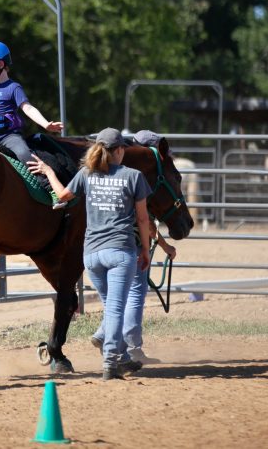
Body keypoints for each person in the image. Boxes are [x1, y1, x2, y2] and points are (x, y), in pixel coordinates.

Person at [28, 127, 152, 380]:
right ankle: (111, 361)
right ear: (119, 150)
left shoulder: (86, 174)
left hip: (92, 255)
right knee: (116, 308)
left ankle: (123, 357)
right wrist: (146, 250)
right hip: (120, 252)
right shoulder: (134, 176)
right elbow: (142, 218)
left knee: (111, 307)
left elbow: (62, 195)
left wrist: (48, 172)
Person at [88, 129, 178, 364]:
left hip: (96, 247)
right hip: (129, 246)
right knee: (134, 293)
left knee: (114, 300)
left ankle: (109, 340)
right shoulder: (134, 177)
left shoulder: (100, 174)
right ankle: (130, 347)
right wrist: (162, 246)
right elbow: (144, 219)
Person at [0, 40, 63, 164]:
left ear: (0, 64)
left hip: (8, 137)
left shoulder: (13, 87)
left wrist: (45, 124)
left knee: (24, 154)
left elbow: (28, 108)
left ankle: (42, 181)